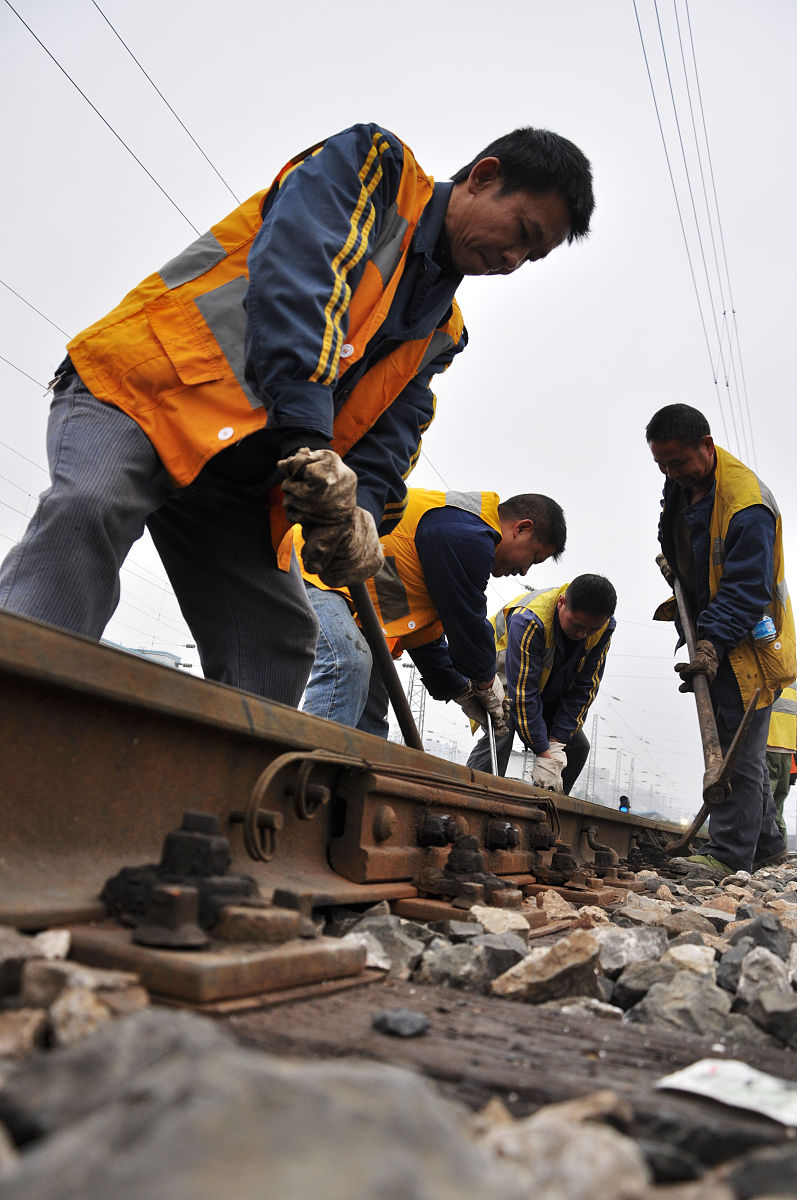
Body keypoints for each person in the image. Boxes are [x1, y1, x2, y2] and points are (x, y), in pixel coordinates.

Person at [0, 122, 594, 707]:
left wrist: (358, 515)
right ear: (484, 177)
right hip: (149, 392)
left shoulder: (443, 330)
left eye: (531, 255)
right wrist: (313, 441)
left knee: (279, 638)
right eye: (521, 231)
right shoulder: (376, 171)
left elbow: (392, 436)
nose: (513, 258)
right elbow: (301, 282)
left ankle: (234, 795)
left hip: (239, 477)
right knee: (90, 509)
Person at [647, 402, 796, 877]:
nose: (670, 473)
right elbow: (675, 529)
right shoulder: (683, 483)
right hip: (713, 625)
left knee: (735, 749)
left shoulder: (747, 506)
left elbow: (747, 589)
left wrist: (710, 644)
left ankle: (728, 854)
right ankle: (768, 846)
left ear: (707, 447)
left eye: (678, 463)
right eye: (661, 465)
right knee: (740, 742)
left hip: (747, 640)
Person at [298, 488, 566, 737]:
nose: (524, 572)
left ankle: (354, 781)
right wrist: (485, 680)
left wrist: (463, 691)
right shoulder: (467, 534)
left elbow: (417, 632)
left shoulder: (444, 539)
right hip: (317, 565)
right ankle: (308, 770)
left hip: (352, 592)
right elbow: (467, 621)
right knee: (349, 662)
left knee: (372, 700)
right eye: (533, 558)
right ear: (521, 528)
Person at [466, 575, 617, 790]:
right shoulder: (529, 620)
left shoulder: (602, 629)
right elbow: (523, 695)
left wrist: (556, 743)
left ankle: (550, 803)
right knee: (503, 728)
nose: (583, 634)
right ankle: (475, 790)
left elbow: (585, 689)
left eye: (591, 629)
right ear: (561, 602)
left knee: (577, 747)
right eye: (577, 626)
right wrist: (543, 752)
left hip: (547, 688)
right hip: (498, 677)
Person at [766, 681, 797, 844]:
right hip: (783, 748)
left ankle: (773, 849)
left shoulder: (775, 669)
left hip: (771, 744)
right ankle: (777, 848)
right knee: (774, 805)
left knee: (767, 802)